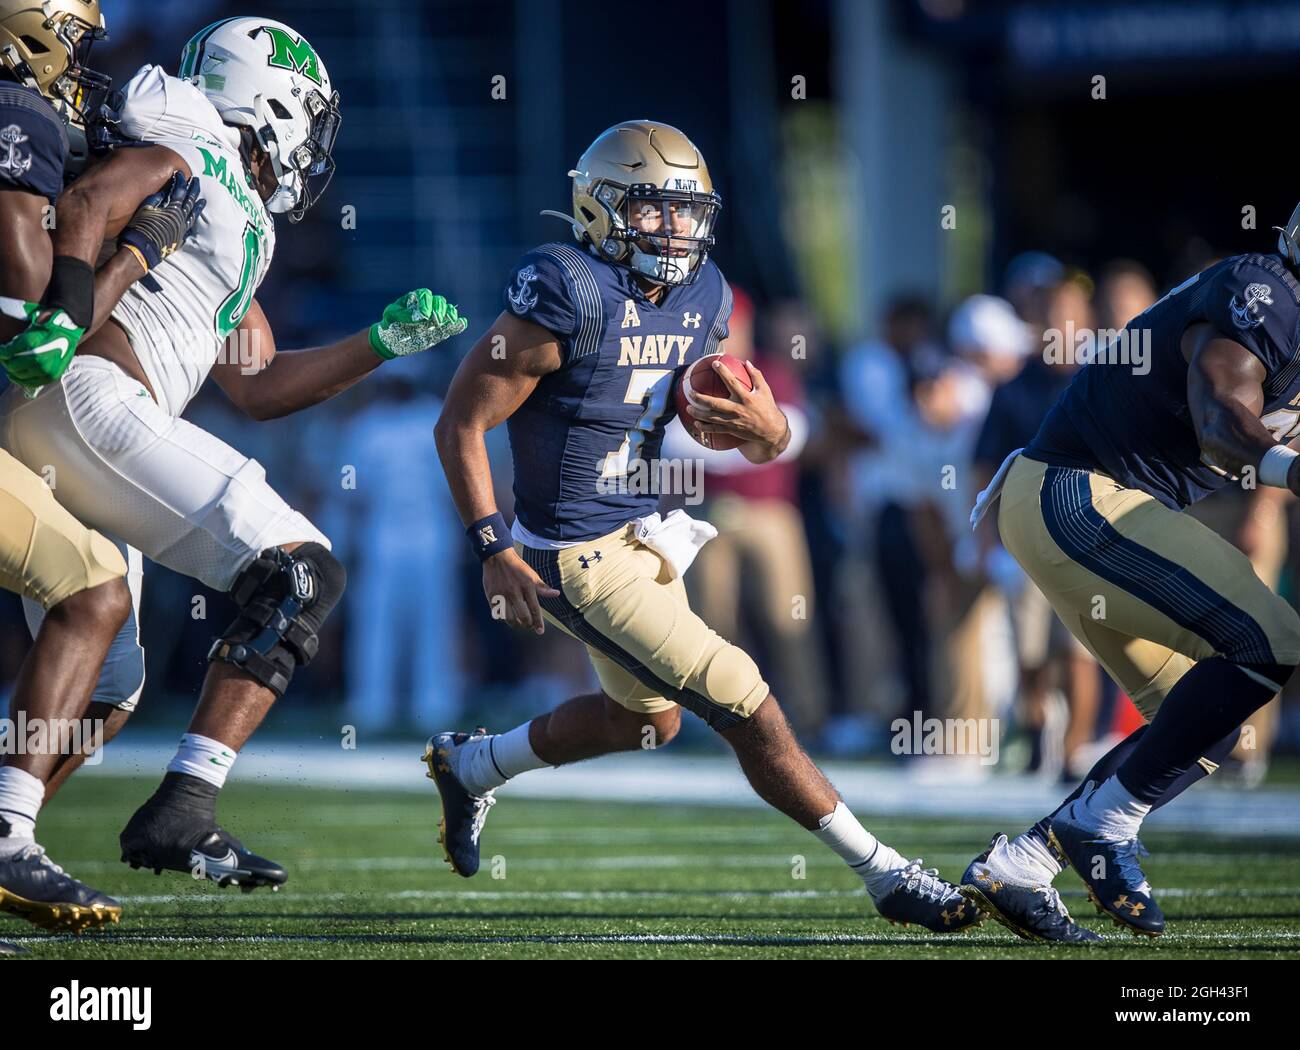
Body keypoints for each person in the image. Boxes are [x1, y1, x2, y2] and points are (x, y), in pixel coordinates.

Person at [427, 121, 981, 933]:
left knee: (645, 722)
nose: (676, 230)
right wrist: (493, 545)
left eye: (688, 212)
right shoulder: (562, 289)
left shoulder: (706, 295)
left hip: (648, 528)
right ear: (600, 206)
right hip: (573, 551)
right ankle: (886, 873)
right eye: (654, 211)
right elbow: (460, 424)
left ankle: (470, 765)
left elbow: (745, 434)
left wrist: (768, 432)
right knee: (748, 703)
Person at [1, 17, 466, 891]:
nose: (315, 147)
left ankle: (7, 832)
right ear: (273, 103)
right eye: (310, 120)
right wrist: (64, 315)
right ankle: (184, 807)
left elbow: (255, 386)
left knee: (106, 682)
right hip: (90, 396)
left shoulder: (238, 215)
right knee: (301, 571)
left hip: (71, 418)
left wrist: (378, 342)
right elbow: (94, 198)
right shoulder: (191, 139)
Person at [961, 223, 1300, 941]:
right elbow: (1219, 424)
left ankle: (1023, 862)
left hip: (1091, 500)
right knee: (1269, 639)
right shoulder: (1268, 294)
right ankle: (1102, 827)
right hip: (1074, 489)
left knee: (1202, 718)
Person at [0, 0, 203, 933]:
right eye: (77, 39)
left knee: (108, 663)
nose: (90, 64)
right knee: (93, 594)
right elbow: (31, 314)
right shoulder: (20, 111)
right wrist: (138, 254)